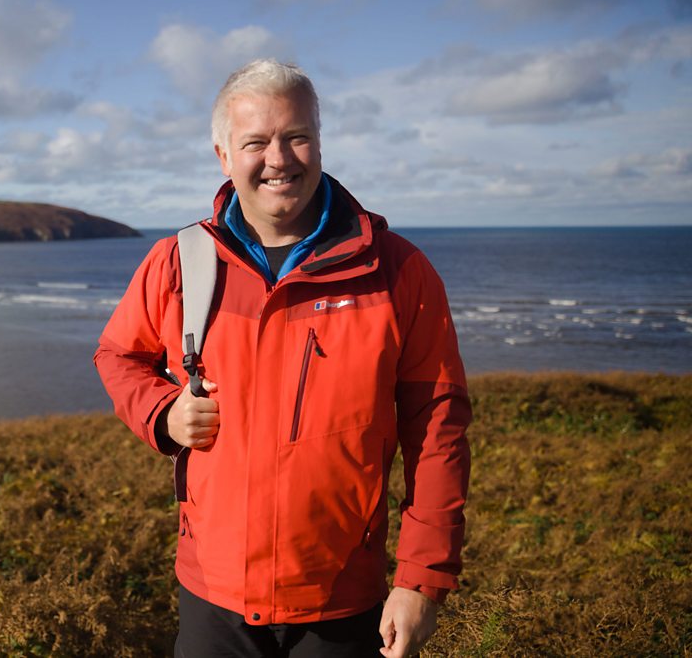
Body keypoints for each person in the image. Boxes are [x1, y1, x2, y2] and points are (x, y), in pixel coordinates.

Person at [93, 59, 471, 658]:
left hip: (342, 597)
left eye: (296, 136)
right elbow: (118, 354)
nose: (278, 159)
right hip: (213, 594)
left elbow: (438, 429)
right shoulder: (179, 262)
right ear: (224, 155)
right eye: (255, 142)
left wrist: (420, 580)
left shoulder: (398, 270)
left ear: (319, 142)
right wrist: (163, 414)